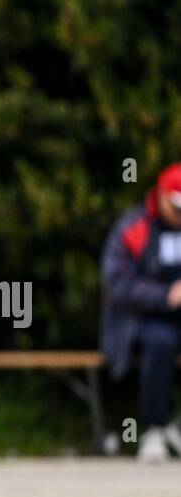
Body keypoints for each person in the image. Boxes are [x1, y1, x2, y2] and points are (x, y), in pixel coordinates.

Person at [101, 163, 181, 462]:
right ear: (160, 196)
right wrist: (165, 296)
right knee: (161, 342)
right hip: (139, 321)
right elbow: (116, 283)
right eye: (176, 207)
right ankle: (152, 431)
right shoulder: (134, 228)